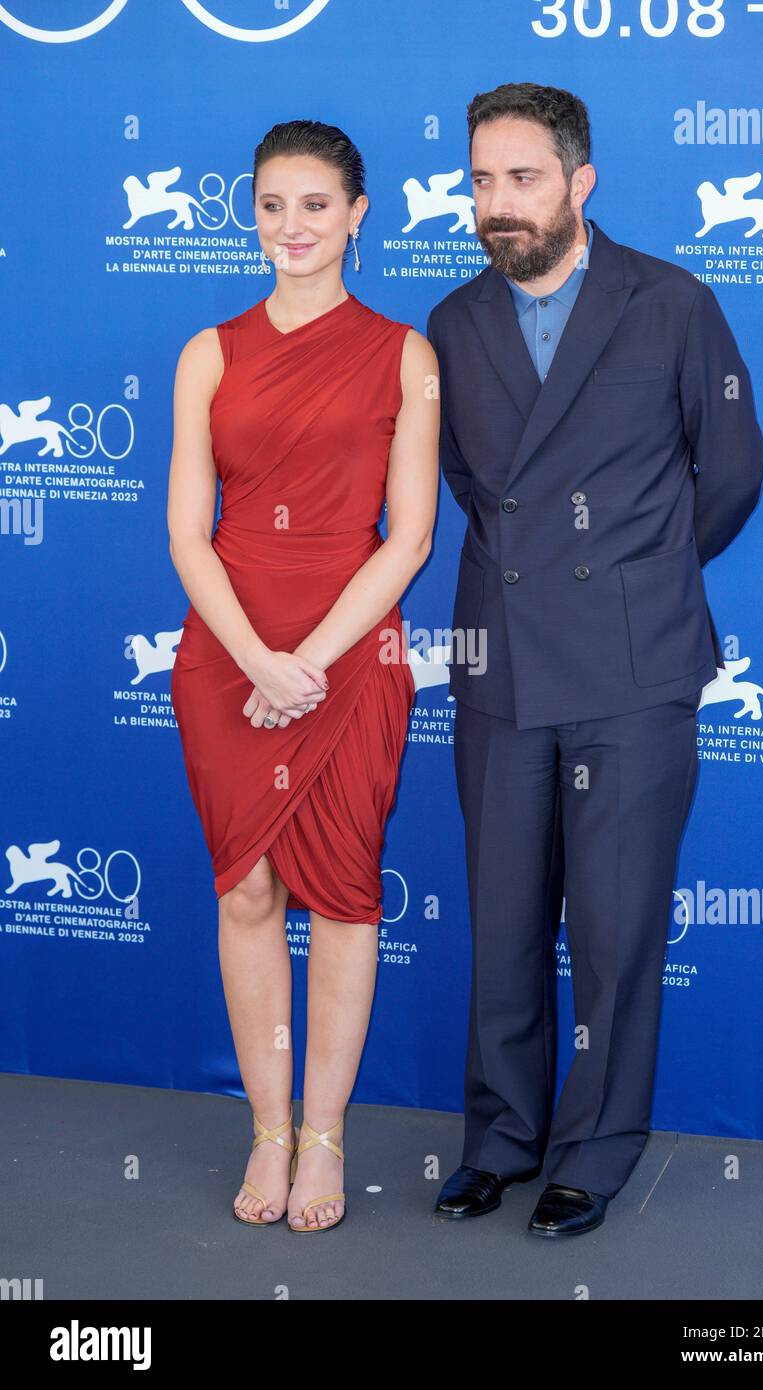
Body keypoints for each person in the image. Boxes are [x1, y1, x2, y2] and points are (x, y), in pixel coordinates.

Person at [426, 83, 763, 1237]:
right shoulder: (452, 321)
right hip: (501, 662)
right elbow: (472, 489)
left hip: (632, 670)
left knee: (614, 930)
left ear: (580, 182)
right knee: (501, 918)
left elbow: (726, 476)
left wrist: (633, 577)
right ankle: (501, 1138)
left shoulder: (671, 302)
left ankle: (595, 1148)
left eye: (521, 178)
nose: (497, 203)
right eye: (480, 180)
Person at [168, 120, 438, 1232]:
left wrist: (308, 665)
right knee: (245, 889)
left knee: (340, 893)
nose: (292, 227)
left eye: (315, 204)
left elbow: (409, 537)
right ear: (253, 212)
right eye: (271, 204)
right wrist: (254, 660)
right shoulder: (208, 351)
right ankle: (267, 1128)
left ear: (357, 214)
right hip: (227, 651)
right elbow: (189, 533)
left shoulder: (404, 355)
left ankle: (325, 1134)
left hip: (348, 653)